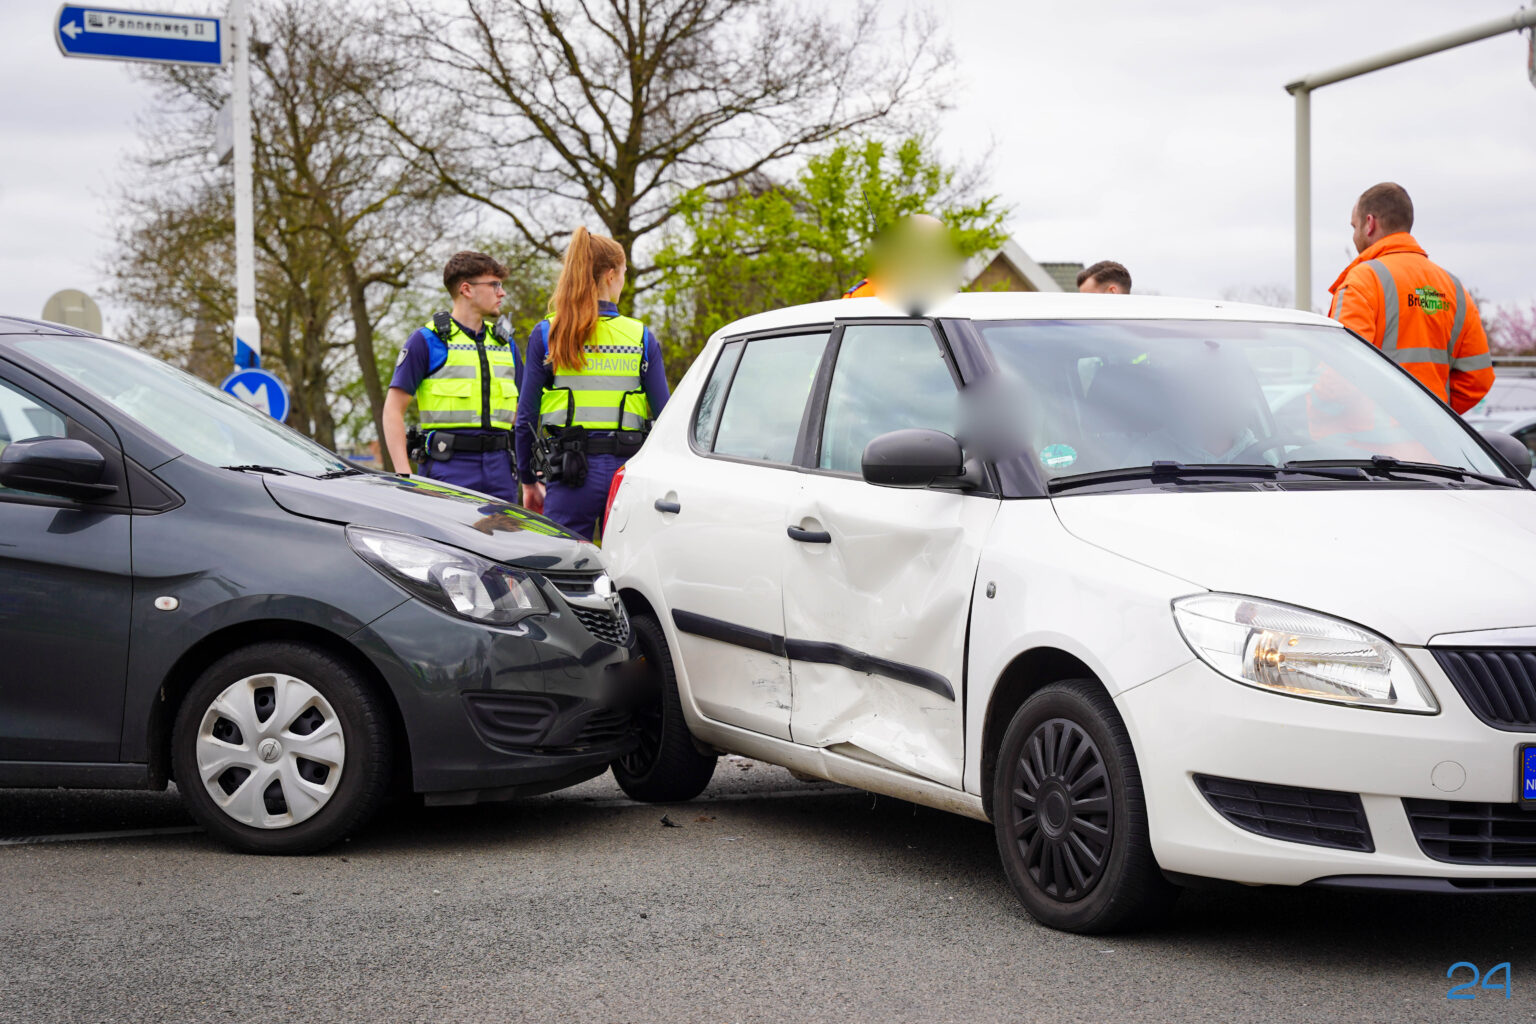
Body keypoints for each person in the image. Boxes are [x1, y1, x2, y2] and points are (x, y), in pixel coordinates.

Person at [515, 228, 669, 539]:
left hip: (569, 474)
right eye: (623, 272)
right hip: (627, 475)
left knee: (563, 563)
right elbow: (666, 417)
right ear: (611, 274)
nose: (623, 280)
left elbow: (525, 418)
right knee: (626, 563)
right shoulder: (640, 337)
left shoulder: (548, 333)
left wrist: (528, 479)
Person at [1328, 182, 1493, 413]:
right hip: (1430, 432)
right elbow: (1478, 378)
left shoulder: (1363, 281)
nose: (1354, 235)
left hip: (1368, 433)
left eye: (1354, 226)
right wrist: (1432, 416)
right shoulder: (1453, 287)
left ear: (1369, 223)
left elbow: (1339, 375)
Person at [382, 251, 522, 501]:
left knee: (505, 530)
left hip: (501, 470)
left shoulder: (506, 344)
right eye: (494, 285)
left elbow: (522, 414)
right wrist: (404, 476)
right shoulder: (427, 340)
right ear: (466, 289)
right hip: (447, 470)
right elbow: (392, 410)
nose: (501, 293)